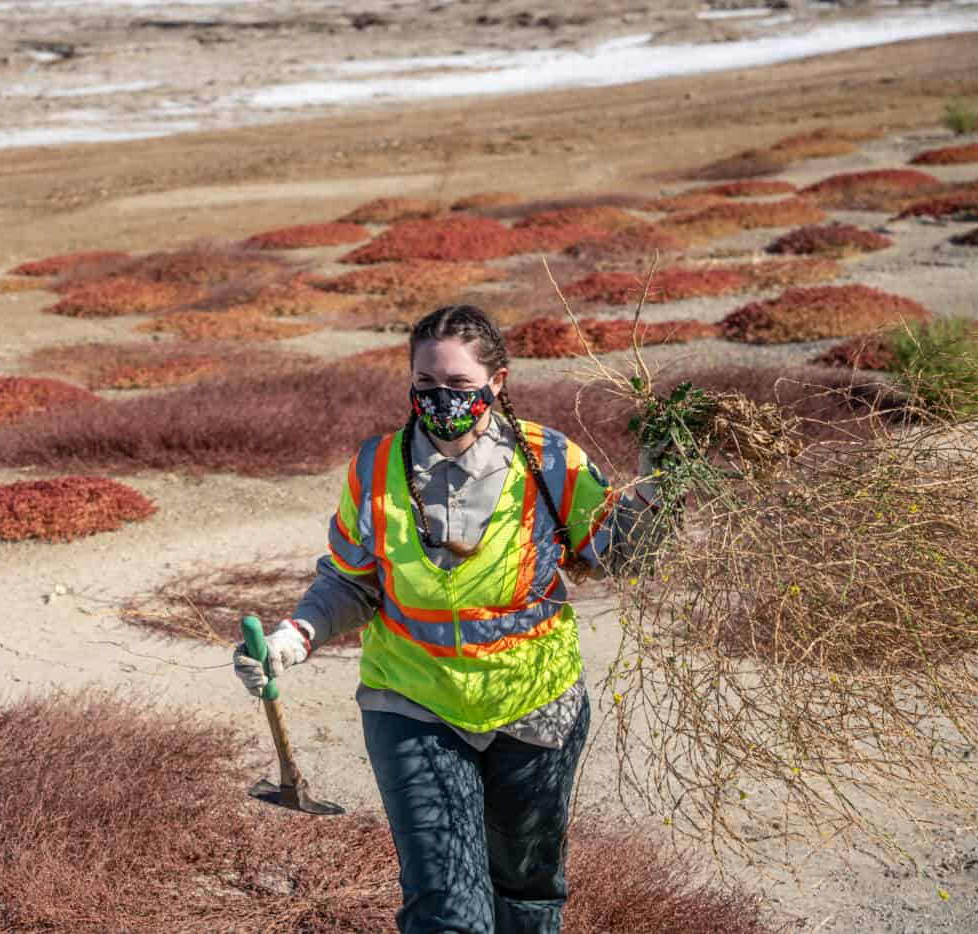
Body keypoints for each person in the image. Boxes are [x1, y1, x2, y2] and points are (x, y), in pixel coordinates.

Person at [232, 304, 663, 934]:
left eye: (459, 386)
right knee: (446, 907)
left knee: (527, 893)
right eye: (425, 383)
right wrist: (291, 640)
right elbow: (351, 580)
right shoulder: (376, 467)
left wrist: (662, 484)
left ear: (498, 382)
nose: (441, 399)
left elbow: (622, 553)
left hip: (536, 707)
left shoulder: (548, 461)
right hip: (412, 704)